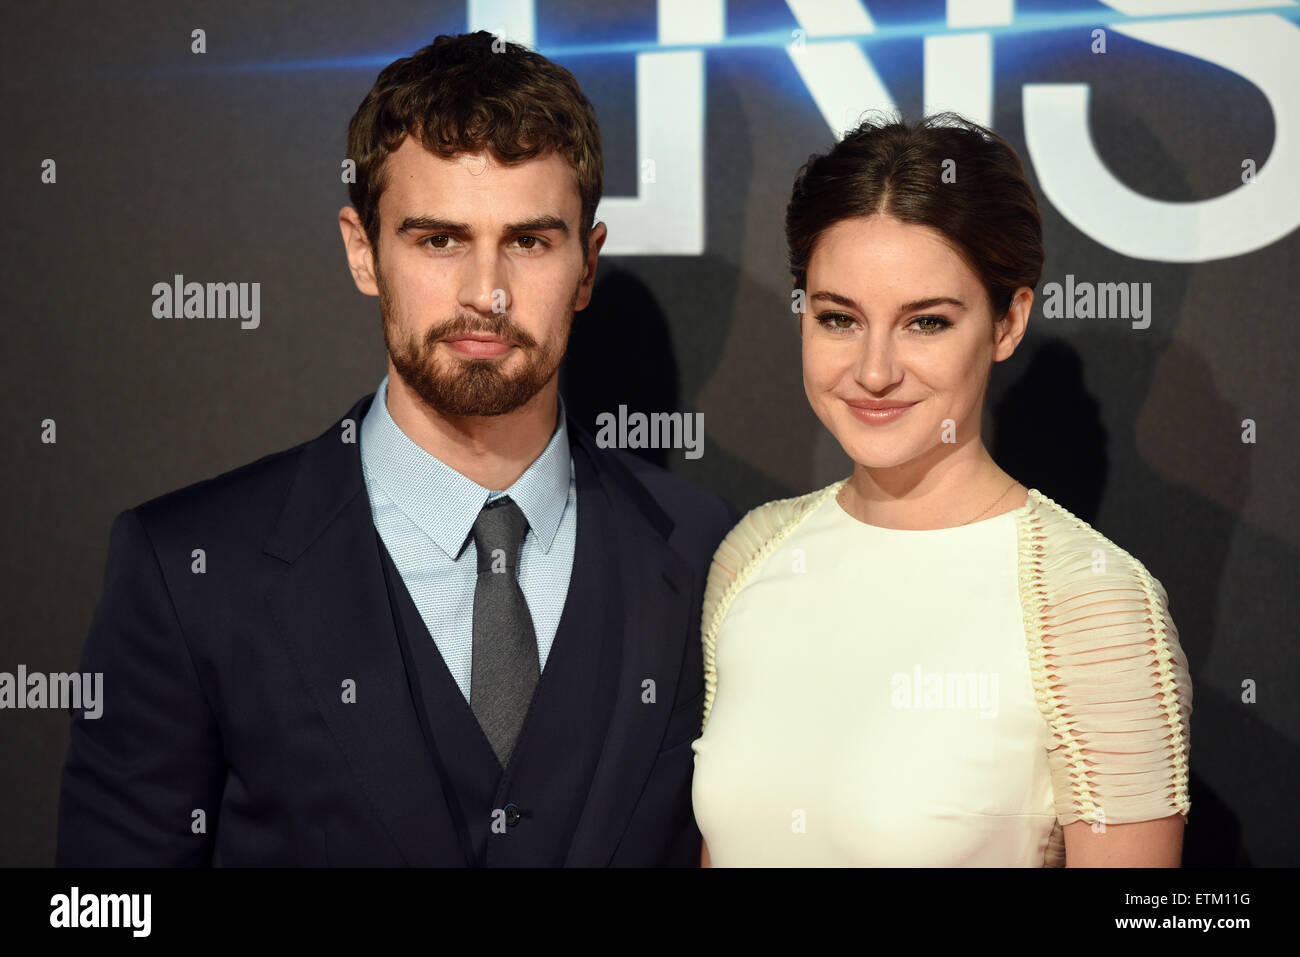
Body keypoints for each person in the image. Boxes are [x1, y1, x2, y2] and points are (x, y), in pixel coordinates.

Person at [56, 31, 735, 867]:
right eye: (438, 239)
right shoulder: (190, 569)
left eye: (529, 241)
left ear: (586, 264)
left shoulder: (710, 556)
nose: (485, 293)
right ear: (361, 250)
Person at [690, 113, 1192, 867]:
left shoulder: (1091, 605)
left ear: (1007, 322)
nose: (875, 369)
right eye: (838, 319)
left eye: (925, 322)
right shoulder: (751, 557)